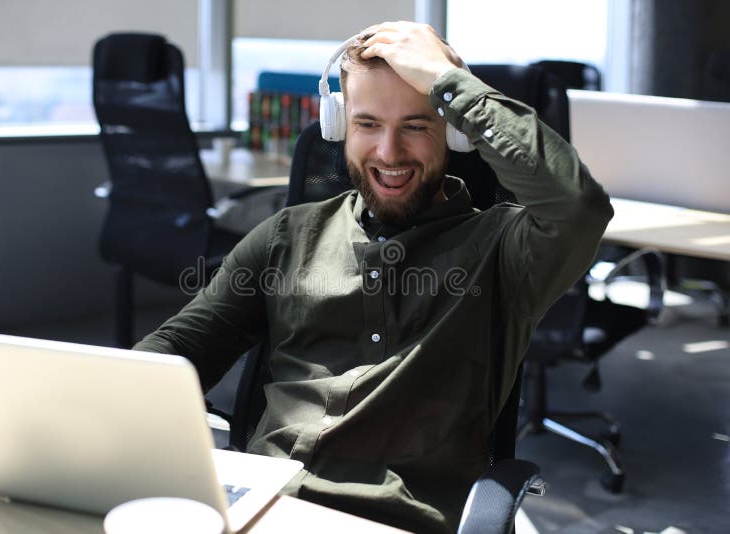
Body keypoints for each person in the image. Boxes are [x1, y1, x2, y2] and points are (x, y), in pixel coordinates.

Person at [135, 21, 613, 534]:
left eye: (415, 125)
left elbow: (578, 207)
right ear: (339, 125)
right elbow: (180, 347)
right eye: (367, 124)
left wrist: (448, 83)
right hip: (264, 507)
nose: (388, 153)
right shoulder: (286, 237)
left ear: (452, 131)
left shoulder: (505, 251)